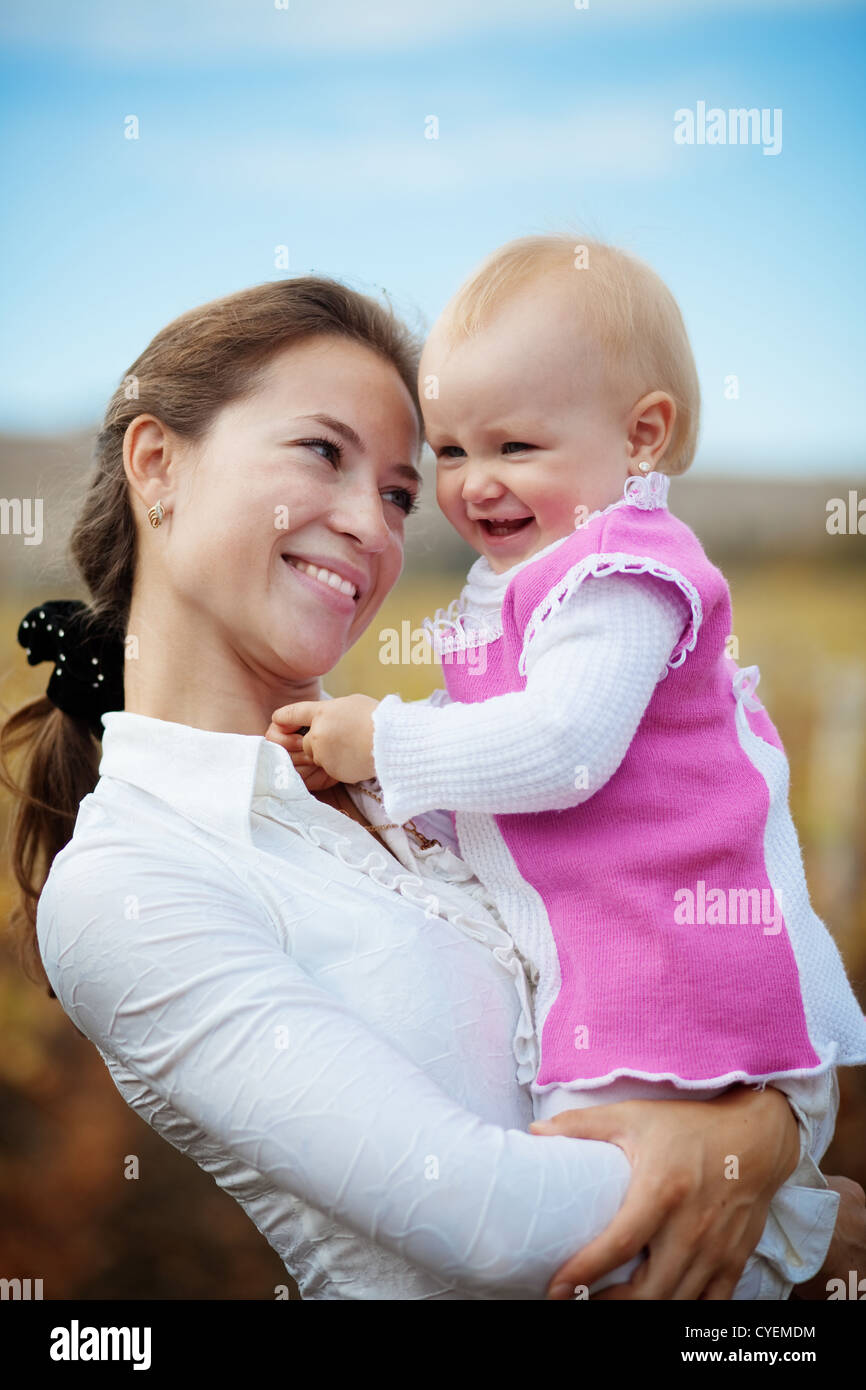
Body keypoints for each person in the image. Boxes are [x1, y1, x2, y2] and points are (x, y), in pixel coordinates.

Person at [1, 274, 861, 1300]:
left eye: (402, 492)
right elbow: (486, 1219)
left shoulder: (427, 772)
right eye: (323, 451)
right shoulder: (127, 880)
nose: (373, 523)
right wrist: (787, 1207)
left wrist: (766, 1124)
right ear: (157, 464)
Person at [263, 239, 866, 1295]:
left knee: (651, 1247)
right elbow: (505, 811)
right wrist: (372, 788)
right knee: (645, 1244)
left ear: (641, 437)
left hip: (686, 992)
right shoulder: (536, 588)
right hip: (628, 994)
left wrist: (385, 742)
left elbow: (560, 751)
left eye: (515, 444)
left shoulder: (620, 577)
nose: (473, 482)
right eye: (448, 450)